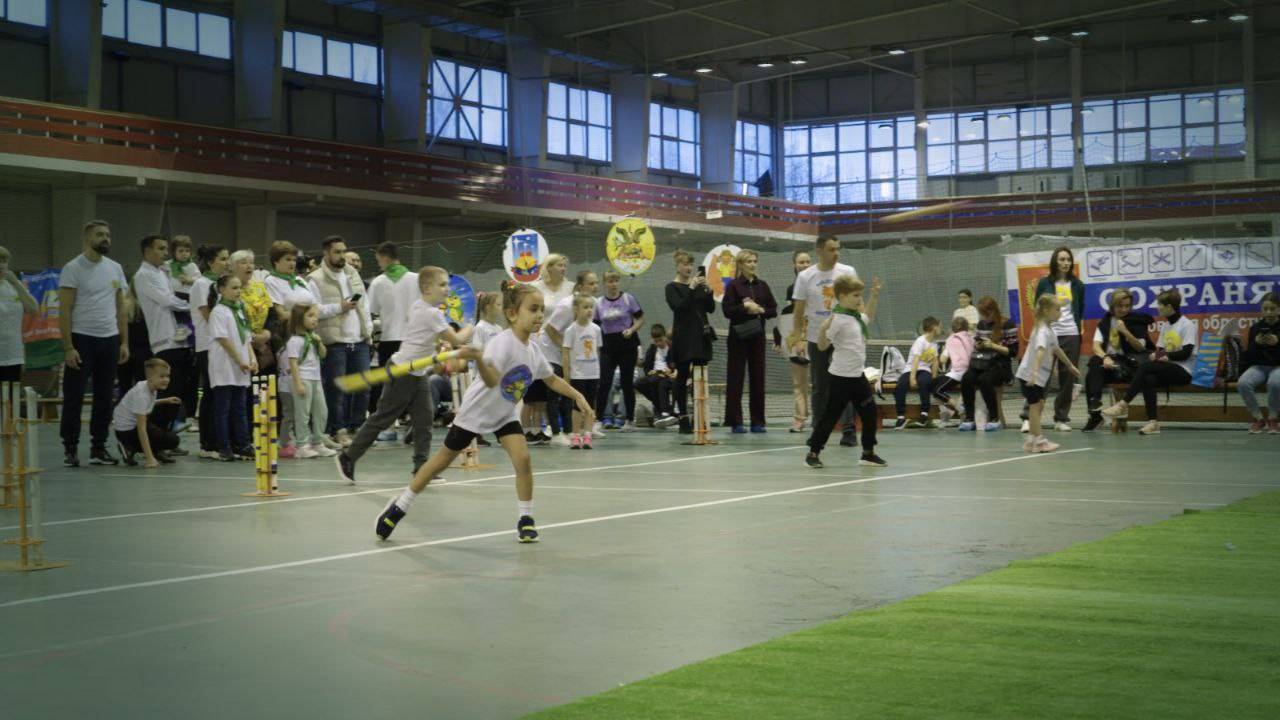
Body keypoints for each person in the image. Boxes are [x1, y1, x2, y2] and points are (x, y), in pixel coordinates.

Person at [373, 281, 593, 543]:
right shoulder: (503, 344)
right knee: (440, 462)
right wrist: (478, 359)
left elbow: (552, 380)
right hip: (476, 412)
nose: (539, 315)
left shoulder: (533, 350)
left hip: (504, 412)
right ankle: (400, 505)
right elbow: (490, 380)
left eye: (541, 310)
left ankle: (526, 518)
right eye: (533, 309)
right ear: (513, 314)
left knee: (523, 460)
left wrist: (578, 395)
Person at [336, 267, 473, 483]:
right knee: (383, 417)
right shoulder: (430, 312)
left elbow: (432, 338)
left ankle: (421, 468)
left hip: (417, 372)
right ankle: (348, 457)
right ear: (427, 288)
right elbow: (457, 340)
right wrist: (471, 328)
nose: (447, 289)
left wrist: (441, 342)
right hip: (403, 372)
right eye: (443, 284)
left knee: (425, 419)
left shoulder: (422, 307)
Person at [59, 220, 129, 468]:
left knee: (104, 396)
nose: (106, 239)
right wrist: (68, 347)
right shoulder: (72, 268)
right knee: (74, 396)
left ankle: (98, 448)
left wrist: (124, 342)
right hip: (82, 338)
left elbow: (121, 308)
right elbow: (65, 310)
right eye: (100, 235)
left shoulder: (115, 268)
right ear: (88, 238)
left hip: (109, 340)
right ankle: (70, 447)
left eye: (108, 235)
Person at [804, 274, 884, 469]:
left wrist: (874, 296)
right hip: (839, 379)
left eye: (860, 295)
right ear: (842, 296)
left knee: (869, 414)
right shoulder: (837, 320)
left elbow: (869, 316)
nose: (859, 299)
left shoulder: (856, 318)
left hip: (858, 377)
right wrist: (823, 330)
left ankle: (868, 453)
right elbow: (822, 347)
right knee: (830, 417)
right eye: (856, 295)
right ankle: (813, 452)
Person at [788, 235, 858, 447]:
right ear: (819, 250)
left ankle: (849, 431)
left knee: (845, 384)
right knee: (820, 386)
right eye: (831, 249)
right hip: (816, 338)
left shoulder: (848, 272)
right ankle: (818, 431)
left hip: (843, 339)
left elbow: (857, 302)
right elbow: (798, 311)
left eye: (838, 248)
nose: (836, 253)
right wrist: (798, 338)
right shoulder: (806, 277)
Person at [1101, 289, 1198, 435]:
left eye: (1160, 305)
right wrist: (1156, 354)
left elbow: (1186, 353)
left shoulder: (1187, 325)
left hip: (1184, 371)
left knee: (1146, 367)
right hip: (1167, 368)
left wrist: (1164, 356)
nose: (1157, 307)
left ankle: (1123, 404)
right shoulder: (1166, 326)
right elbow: (1159, 348)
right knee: (1148, 378)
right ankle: (1153, 423)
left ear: (1169, 307)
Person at [305, 237, 372, 444]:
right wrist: (339, 307)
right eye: (337, 252)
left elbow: (364, 303)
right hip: (334, 342)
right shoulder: (314, 279)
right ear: (326, 253)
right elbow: (314, 311)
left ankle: (358, 426)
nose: (342, 256)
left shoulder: (353, 274)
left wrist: (367, 330)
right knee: (336, 391)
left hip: (359, 340)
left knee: (364, 386)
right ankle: (338, 430)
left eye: (344, 251)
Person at [1019, 247, 1086, 433]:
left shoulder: (1078, 285)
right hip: (1049, 333)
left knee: (1067, 378)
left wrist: (1077, 332)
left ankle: (1061, 418)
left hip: (1071, 334)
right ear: (1055, 262)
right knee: (1041, 375)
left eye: (1068, 260)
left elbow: (1079, 310)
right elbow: (1038, 309)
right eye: (1062, 259)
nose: (1065, 263)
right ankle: (1029, 416)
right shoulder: (1044, 283)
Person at [133, 235, 192, 436]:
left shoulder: (163, 271)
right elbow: (166, 300)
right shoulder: (143, 275)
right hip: (164, 340)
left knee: (178, 391)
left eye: (166, 248)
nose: (166, 253)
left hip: (179, 337)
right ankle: (153, 436)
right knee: (167, 391)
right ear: (147, 251)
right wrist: (191, 305)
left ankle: (166, 435)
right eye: (161, 248)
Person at [534, 270, 596, 445]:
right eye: (591, 283)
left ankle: (569, 431)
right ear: (581, 285)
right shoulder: (568, 305)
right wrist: (566, 350)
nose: (595, 287)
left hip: (566, 352)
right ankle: (555, 433)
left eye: (596, 283)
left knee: (569, 391)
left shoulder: (591, 303)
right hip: (551, 350)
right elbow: (550, 329)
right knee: (554, 392)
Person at [722, 249, 777, 433]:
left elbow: (773, 309)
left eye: (754, 261)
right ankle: (735, 421)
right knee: (735, 379)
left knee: (758, 378)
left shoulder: (763, 285)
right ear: (740, 264)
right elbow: (727, 311)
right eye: (748, 261)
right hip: (738, 337)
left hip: (757, 337)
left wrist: (760, 310)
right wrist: (745, 307)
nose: (752, 264)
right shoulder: (733, 286)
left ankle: (758, 421)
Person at [1081, 289, 1153, 432]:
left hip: (1128, 365)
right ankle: (1095, 404)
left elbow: (1140, 348)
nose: (1124, 309)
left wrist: (1125, 331)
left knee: (1092, 373)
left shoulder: (1136, 320)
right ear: (1113, 306)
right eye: (1120, 306)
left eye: (1127, 306)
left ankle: (1095, 416)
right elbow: (1096, 346)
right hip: (1110, 364)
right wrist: (1105, 358)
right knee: (1095, 362)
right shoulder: (1105, 321)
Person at [1016, 295, 1081, 453]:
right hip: (1030, 376)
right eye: (1057, 309)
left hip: (1035, 376)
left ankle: (1031, 440)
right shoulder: (1042, 331)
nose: (1060, 313)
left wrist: (1070, 365)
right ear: (1046, 310)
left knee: (1038, 406)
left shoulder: (1048, 329)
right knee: (1035, 407)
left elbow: (1056, 350)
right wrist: (1035, 373)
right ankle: (1039, 442)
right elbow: (1040, 351)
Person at [366, 242, 419, 424]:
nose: (379, 265)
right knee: (412, 380)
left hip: (388, 339)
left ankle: (389, 420)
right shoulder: (416, 279)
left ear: (385, 258)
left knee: (389, 384)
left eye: (379, 261)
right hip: (412, 339)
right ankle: (411, 415)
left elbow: (371, 311)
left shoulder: (378, 282)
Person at [208, 274, 257, 461]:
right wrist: (239, 360)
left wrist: (252, 358)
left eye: (239, 288)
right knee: (223, 409)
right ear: (221, 290)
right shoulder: (219, 311)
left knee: (240, 408)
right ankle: (224, 447)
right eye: (234, 288)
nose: (238, 291)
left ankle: (243, 444)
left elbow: (247, 339)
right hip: (225, 365)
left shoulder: (239, 310)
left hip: (241, 366)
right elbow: (223, 339)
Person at [666, 250, 716, 434]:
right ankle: (683, 417)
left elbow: (710, 309)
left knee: (700, 376)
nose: (688, 268)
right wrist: (692, 288)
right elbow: (678, 307)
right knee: (682, 377)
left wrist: (709, 291)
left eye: (690, 264)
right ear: (677, 265)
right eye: (684, 264)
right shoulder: (672, 287)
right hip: (683, 336)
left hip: (700, 335)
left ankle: (700, 416)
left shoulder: (698, 285)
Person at [282, 304, 337, 459]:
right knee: (303, 413)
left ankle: (318, 442)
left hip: (316, 378)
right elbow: (293, 363)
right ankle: (302, 445)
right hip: (303, 378)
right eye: (310, 316)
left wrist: (319, 342)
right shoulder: (294, 340)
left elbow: (323, 355)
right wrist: (298, 383)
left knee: (321, 410)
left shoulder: (312, 338)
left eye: (315, 316)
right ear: (300, 319)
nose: (315, 319)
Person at [958, 296, 1019, 432]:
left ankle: (994, 418)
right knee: (967, 378)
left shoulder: (1007, 324)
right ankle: (969, 418)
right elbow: (977, 346)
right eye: (982, 314)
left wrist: (993, 345)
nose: (985, 317)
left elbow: (1013, 352)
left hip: (1000, 365)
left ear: (994, 311)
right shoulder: (981, 324)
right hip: (982, 363)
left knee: (985, 380)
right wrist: (979, 345)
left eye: (987, 314)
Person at [190, 244, 229, 459]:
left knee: (219, 393)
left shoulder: (221, 285)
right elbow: (209, 315)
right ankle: (207, 443)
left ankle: (219, 439)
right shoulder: (201, 284)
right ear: (211, 261)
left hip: (222, 345)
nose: (227, 263)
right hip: (208, 345)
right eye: (223, 258)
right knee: (210, 394)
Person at [594, 271, 644, 432]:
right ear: (604, 283)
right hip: (608, 346)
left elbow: (640, 318)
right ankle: (598, 419)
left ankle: (629, 419)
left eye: (616, 281)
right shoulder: (598, 303)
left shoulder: (628, 299)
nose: (613, 284)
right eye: (610, 281)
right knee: (604, 383)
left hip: (627, 346)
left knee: (626, 383)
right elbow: (595, 325)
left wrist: (631, 329)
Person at [113, 357, 183, 467]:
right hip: (126, 432)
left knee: (165, 410)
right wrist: (149, 459)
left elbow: (145, 404)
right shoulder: (142, 395)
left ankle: (153, 450)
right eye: (162, 376)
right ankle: (128, 446)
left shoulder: (148, 386)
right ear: (150, 377)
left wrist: (165, 400)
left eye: (167, 376)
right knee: (172, 440)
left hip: (132, 426)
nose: (166, 379)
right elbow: (142, 428)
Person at [773, 250, 812, 433]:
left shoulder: (819, 286)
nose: (804, 265)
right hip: (797, 340)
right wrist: (781, 339)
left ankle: (824, 417)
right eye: (801, 262)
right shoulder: (792, 289)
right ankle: (800, 418)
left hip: (817, 338)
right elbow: (788, 317)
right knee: (799, 383)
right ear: (794, 265)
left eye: (807, 262)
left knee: (823, 383)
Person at [562, 294, 602, 449]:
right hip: (578, 374)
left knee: (590, 405)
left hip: (593, 373)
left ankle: (587, 435)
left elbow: (596, 351)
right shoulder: (571, 330)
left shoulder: (596, 329)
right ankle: (576, 435)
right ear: (576, 309)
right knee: (577, 406)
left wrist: (598, 371)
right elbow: (565, 353)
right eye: (585, 307)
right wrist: (566, 375)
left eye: (591, 307)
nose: (589, 310)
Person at [1239, 292, 1280, 434]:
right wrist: (1255, 344)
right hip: (1259, 366)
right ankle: (1258, 418)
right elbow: (1249, 356)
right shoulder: (1255, 328)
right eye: (1265, 309)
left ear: (1278, 309)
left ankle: (1273, 419)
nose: (1269, 312)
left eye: (1272, 308)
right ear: (1262, 310)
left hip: (1278, 367)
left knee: (1275, 383)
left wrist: (1277, 343)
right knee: (1243, 383)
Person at [893, 316, 942, 430]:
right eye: (939, 326)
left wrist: (934, 376)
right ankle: (900, 417)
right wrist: (912, 378)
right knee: (900, 387)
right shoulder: (920, 341)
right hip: (911, 369)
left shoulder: (934, 343)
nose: (941, 329)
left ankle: (924, 414)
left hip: (924, 370)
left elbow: (935, 361)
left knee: (924, 383)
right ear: (934, 327)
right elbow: (915, 360)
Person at [0, 246, 38, 381]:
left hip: (13, 355)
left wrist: (16, 283)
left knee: (11, 398)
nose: (1, 265)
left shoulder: (14, 286)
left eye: (4, 261)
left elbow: (33, 308)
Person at [636, 324, 678, 428]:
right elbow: (647, 366)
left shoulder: (672, 348)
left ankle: (663, 412)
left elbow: (675, 365)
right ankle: (661, 407)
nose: (658, 343)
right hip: (654, 375)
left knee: (660, 383)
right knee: (638, 383)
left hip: (667, 376)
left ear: (665, 337)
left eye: (660, 340)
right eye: (656, 341)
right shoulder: (652, 348)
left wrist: (671, 370)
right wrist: (650, 371)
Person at [934, 316, 973, 426]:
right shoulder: (971, 337)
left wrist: (941, 353)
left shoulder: (951, 339)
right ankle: (948, 412)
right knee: (935, 384)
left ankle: (959, 409)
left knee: (936, 390)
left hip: (959, 373)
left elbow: (942, 359)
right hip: (972, 373)